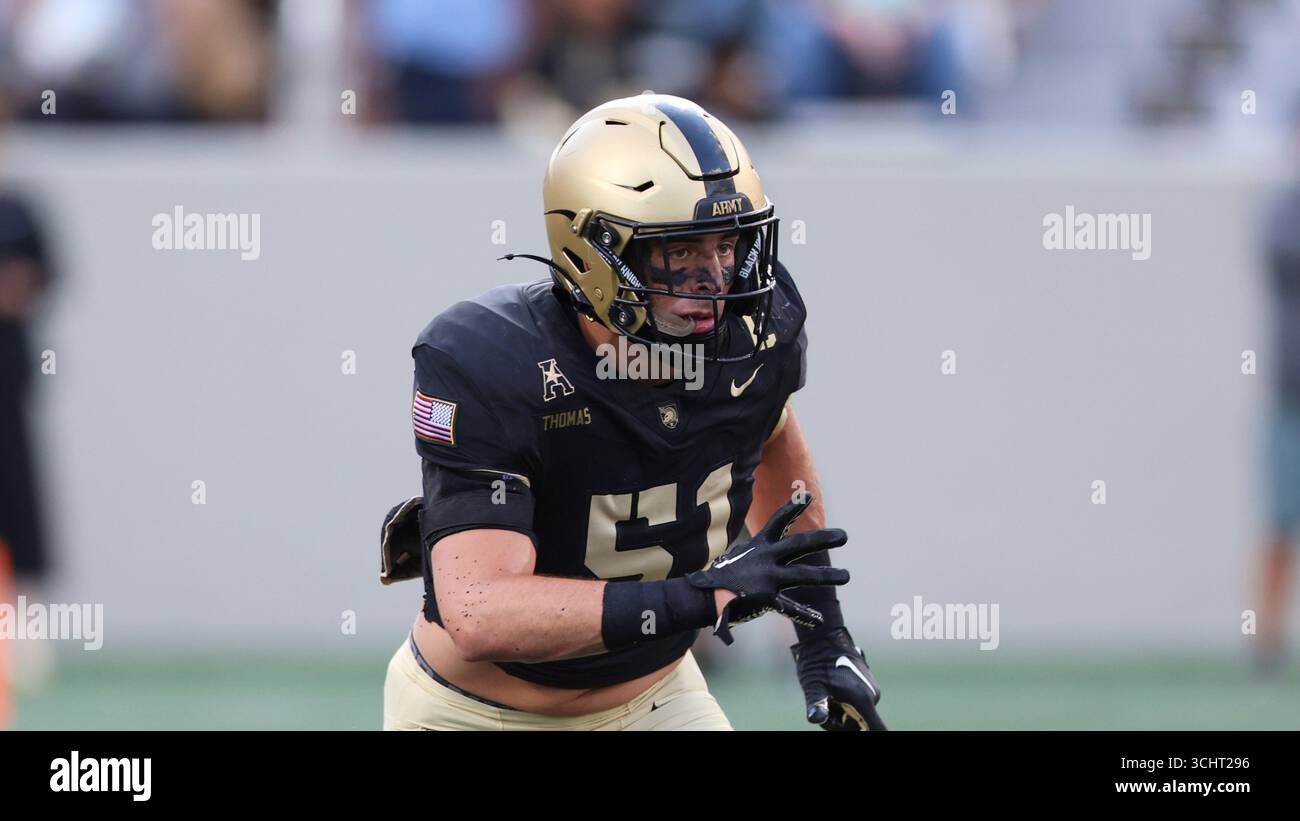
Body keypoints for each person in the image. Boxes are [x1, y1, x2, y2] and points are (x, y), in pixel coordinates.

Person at [381, 93, 884, 730]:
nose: (715, 282)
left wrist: (824, 639)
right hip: (477, 712)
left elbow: (772, 429)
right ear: (593, 251)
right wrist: (698, 596)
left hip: (655, 701)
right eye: (679, 253)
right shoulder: (491, 360)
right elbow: (479, 612)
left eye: (726, 246)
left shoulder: (751, 334)